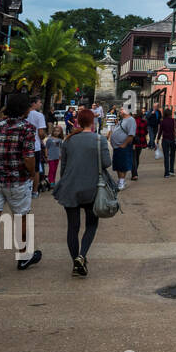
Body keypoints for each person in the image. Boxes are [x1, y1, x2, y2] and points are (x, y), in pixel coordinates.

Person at [0, 92, 41, 280]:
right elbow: (28, 156)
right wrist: (30, 173)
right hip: (17, 180)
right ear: (24, 109)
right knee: (21, 218)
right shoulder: (27, 128)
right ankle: (22, 257)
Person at [56, 108, 112, 277]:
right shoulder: (99, 140)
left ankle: (75, 262)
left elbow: (63, 167)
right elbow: (107, 163)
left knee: (72, 227)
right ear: (93, 122)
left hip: (71, 187)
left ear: (78, 121)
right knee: (91, 224)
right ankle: (82, 255)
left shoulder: (68, 140)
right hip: (92, 187)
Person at [108, 104, 136, 190]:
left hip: (123, 146)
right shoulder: (123, 120)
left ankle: (121, 181)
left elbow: (131, 134)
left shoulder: (131, 120)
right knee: (117, 165)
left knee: (122, 165)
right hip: (117, 146)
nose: (120, 111)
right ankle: (120, 180)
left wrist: (124, 144)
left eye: (121, 110)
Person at [159, 106, 176, 177]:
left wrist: (157, 139)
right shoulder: (174, 121)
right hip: (173, 140)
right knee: (172, 155)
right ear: (171, 114)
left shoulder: (162, 121)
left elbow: (160, 131)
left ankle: (166, 173)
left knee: (166, 156)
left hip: (165, 140)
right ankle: (171, 170)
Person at [43, 124, 64, 191]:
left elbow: (60, 148)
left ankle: (53, 181)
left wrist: (60, 154)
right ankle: (51, 182)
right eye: (55, 131)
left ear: (60, 132)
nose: (56, 132)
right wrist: (46, 156)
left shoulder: (60, 140)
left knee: (55, 170)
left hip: (57, 157)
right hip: (50, 157)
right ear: (53, 131)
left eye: (58, 131)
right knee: (51, 169)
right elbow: (46, 148)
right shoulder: (49, 139)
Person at [131, 107, 149, 180]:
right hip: (141, 142)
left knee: (133, 158)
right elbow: (146, 132)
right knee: (137, 158)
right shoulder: (144, 122)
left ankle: (134, 174)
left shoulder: (132, 121)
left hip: (133, 142)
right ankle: (135, 172)